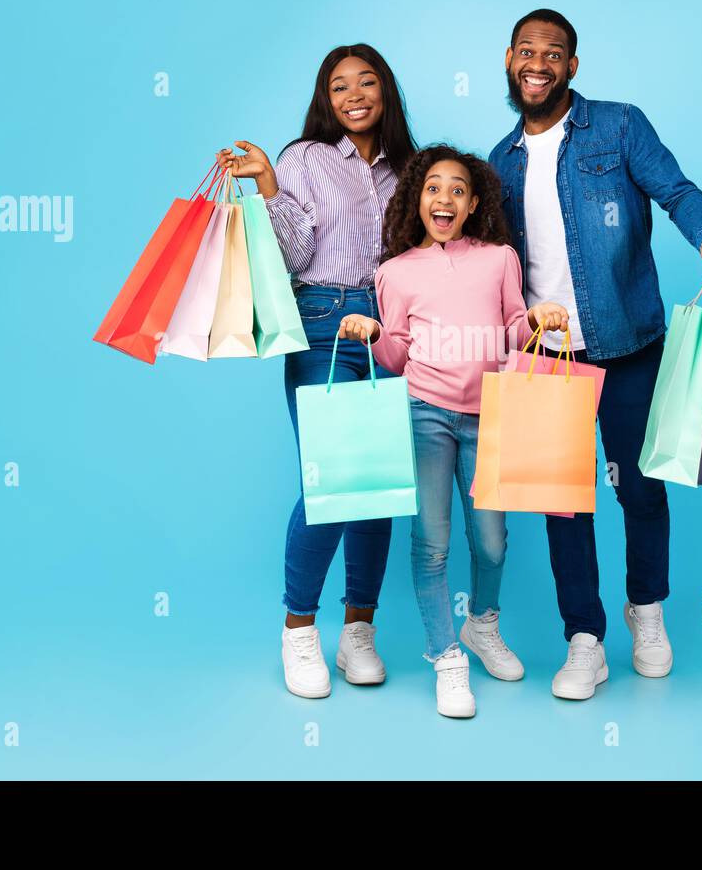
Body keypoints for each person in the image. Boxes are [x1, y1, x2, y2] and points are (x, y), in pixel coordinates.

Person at [487, 9, 702, 700]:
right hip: (548, 355)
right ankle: (585, 641)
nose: (539, 62)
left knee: (640, 486)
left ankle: (648, 612)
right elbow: (491, 262)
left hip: (630, 342)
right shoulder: (497, 162)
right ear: (510, 59)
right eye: (527, 50)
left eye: (555, 52)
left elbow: (678, 192)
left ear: (573, 66)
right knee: (561, 503)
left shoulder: (619, 126)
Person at [337, 145, 569, 718]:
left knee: (492, 541)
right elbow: (395, 356)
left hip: (492, 413)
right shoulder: (392, 272)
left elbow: (515, 326)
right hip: (426, 416)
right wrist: (370, 333)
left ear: (473, 206)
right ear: (417, 200)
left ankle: (481, 625)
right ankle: (446, 658)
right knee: (433, 544)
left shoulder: (499, 259)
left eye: (458, 190)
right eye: (433, 187)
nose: (445, 198)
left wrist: (537, 319)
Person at [216, 44, 416, 699]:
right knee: (332, 482)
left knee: (378, 484)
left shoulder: (408, 169)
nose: (354, 95)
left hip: (387, 325)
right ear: (325, 99)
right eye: (339, 86)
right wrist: (269, 185)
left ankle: (359, 630)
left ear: (384, 92)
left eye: (366, 83)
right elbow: (296, 254)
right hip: (324, 321)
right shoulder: (303, 158)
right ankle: (299, 632)